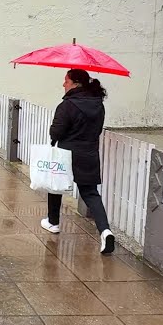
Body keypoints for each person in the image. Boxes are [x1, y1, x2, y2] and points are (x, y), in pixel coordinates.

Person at [41, 68, 115, 255]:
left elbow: (56, 133)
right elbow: (96, 130)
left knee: (55, 186)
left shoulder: (66, 106)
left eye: (66, 80)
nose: (63, 84)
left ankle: (53, 222)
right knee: (90, 193)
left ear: (75, 83)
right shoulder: (98, 105)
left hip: (67, 153)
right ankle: (105, 231)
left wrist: (55, 128)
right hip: (89, 153)